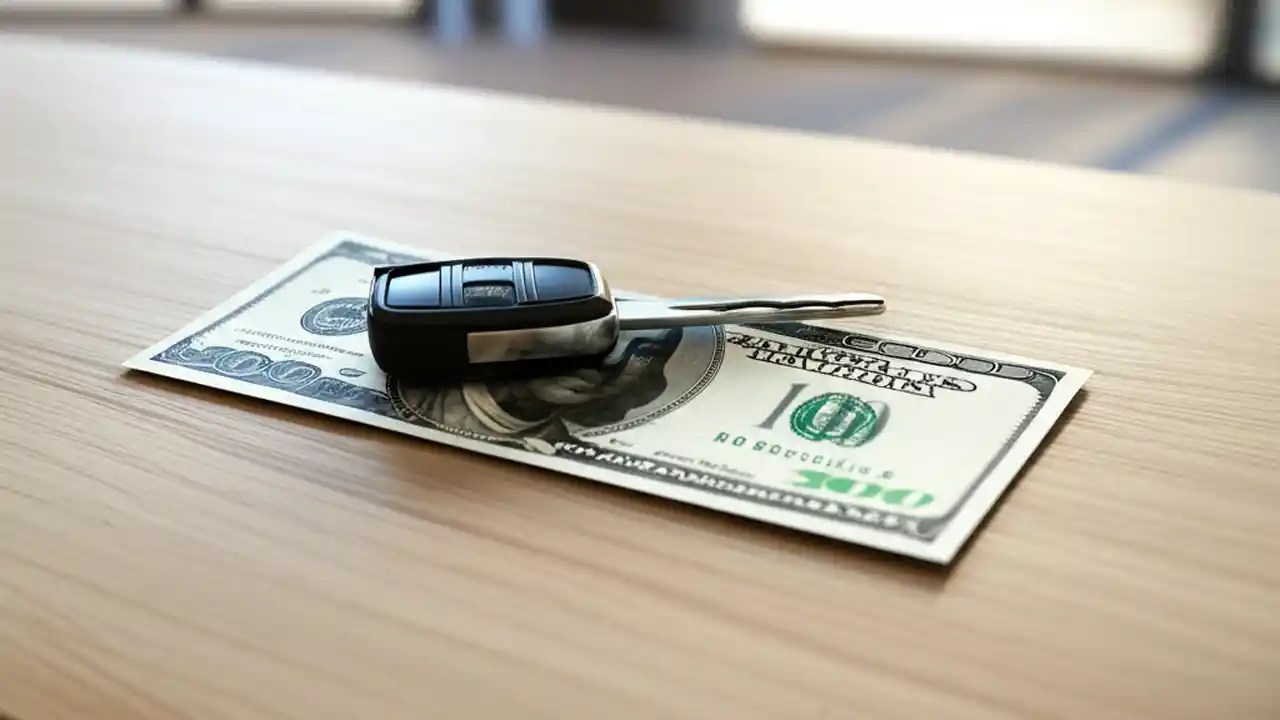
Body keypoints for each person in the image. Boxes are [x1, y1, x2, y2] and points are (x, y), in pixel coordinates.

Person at [395, 328, 684, 442]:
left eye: (645, 352)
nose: (611, 357)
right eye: (607, 332)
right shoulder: (417, 386)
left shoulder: (560, 447)